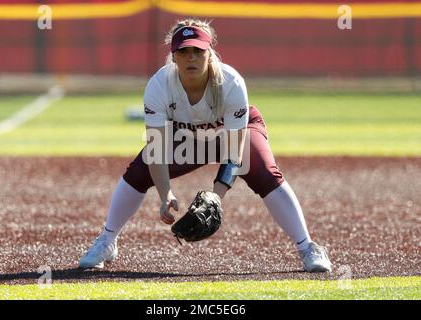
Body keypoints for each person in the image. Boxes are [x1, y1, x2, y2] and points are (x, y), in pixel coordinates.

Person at [79, 18, 332, 272]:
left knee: (265, 172)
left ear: (209, 54)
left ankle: (307, 246)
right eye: (184, 51)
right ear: (173, 56)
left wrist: (215, 197)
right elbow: (156, 148)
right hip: (188, 136)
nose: (191, 57)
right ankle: (107, 240)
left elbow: (234, 150)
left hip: (231, 134)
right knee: (140, 170)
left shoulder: (231, 83)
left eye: (198, 51)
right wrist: (165, 193)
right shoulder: (159, 86)